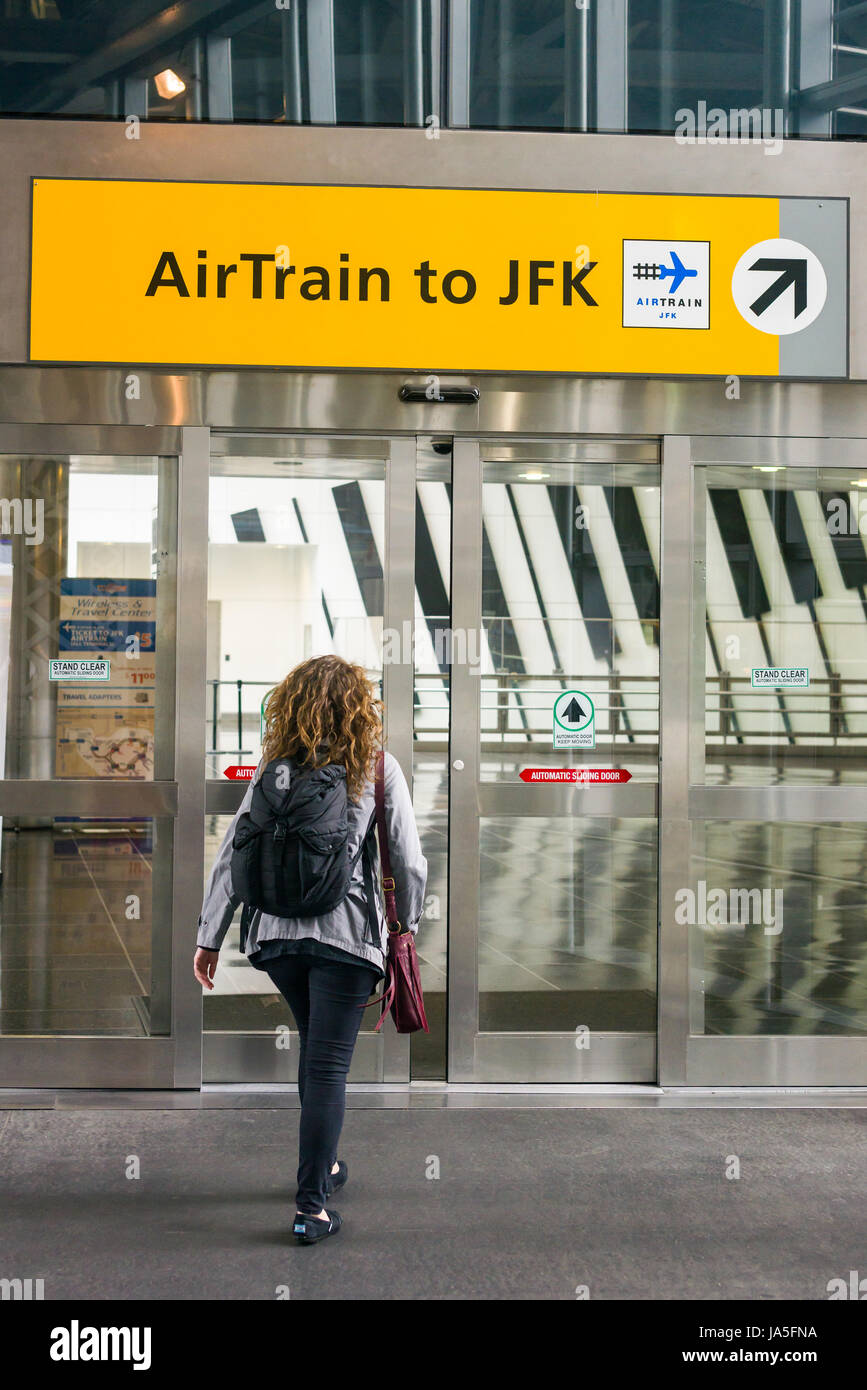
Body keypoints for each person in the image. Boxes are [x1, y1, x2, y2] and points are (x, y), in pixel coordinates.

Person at [193, 655, 426, 1244]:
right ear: (358, 706)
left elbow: (232, 853)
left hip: (274, 938)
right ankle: (311, 1205)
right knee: (327, 1065)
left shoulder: (273, 770)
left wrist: (209, 936)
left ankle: (323, 1169)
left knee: (315, 1051)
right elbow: (408, 858)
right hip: (347, 939)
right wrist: (408, 926)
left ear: (292, 704)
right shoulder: (375, 767)